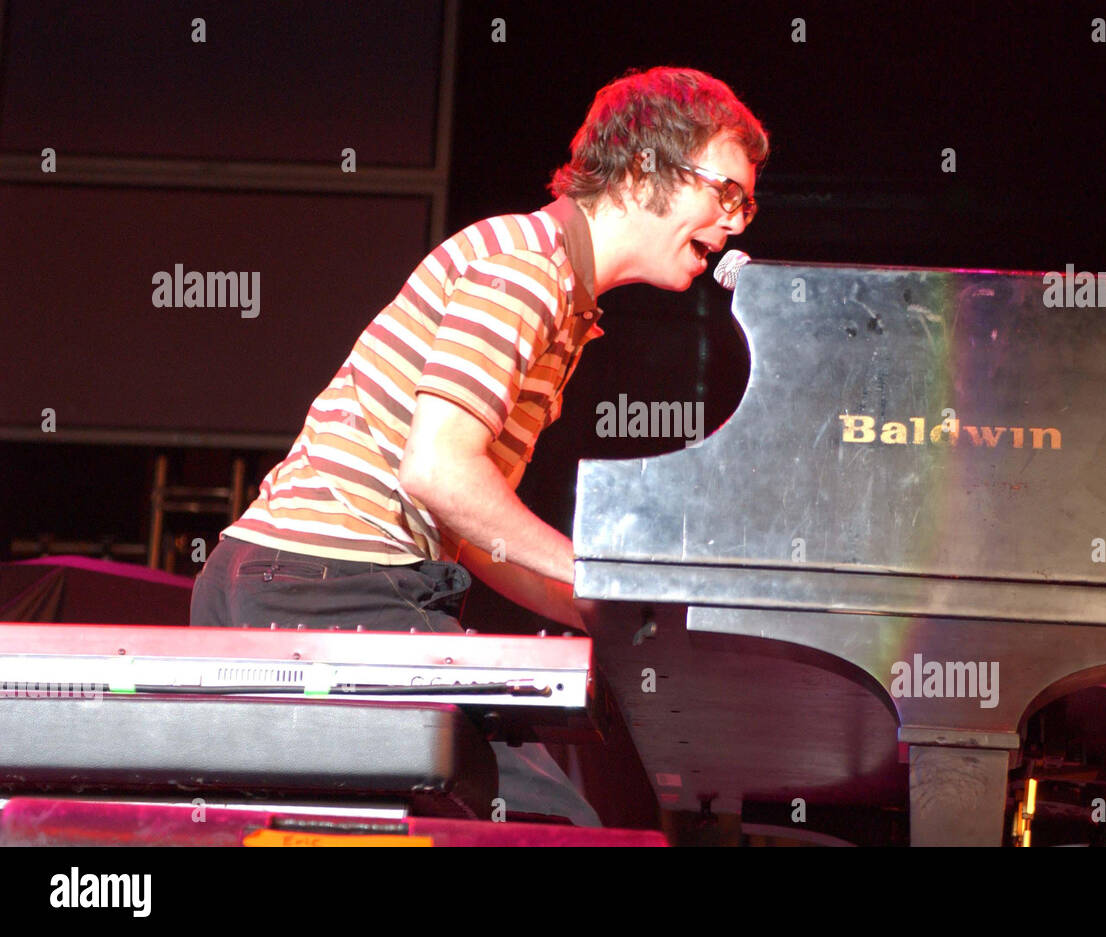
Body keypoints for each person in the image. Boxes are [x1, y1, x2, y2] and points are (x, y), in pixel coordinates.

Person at [190, 66, 769, 824]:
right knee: (550, 831)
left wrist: (615, 617)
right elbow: (438, 472)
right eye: (725, 193)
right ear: (642, 169)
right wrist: (602, 574)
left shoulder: (561, 295)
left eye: (746, 203)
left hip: (286, 582)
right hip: (321, 587)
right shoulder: (525, 269)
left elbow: (470, 528)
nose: (736, 225)